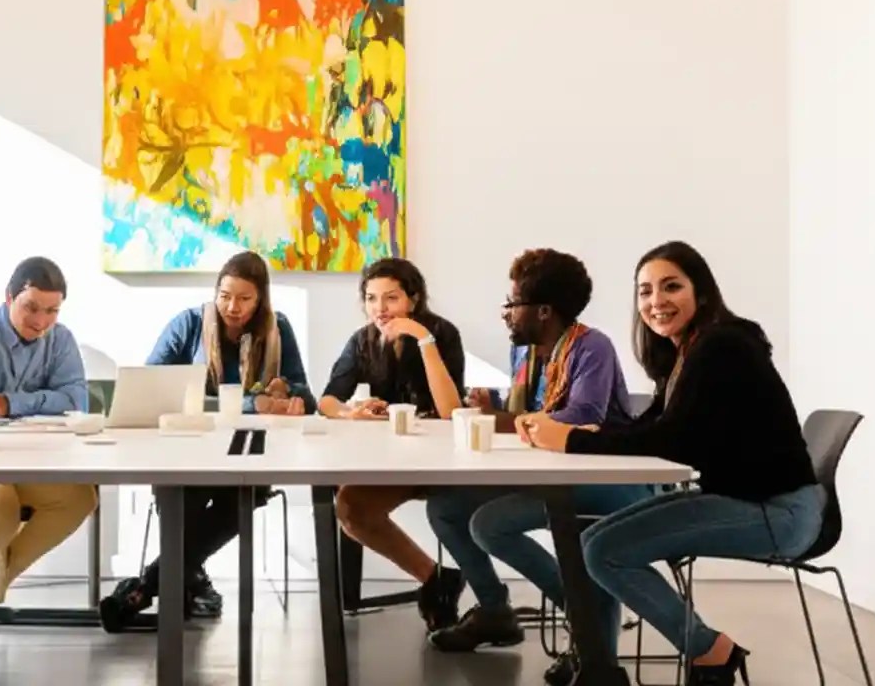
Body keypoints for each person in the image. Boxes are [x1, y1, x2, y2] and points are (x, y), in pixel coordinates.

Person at [521, 241, 823, 686]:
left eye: (671, 287)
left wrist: (571, 441)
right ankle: (597, 662)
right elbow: (653, 428)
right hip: (747, 499)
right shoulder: (689, 350)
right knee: (592, 541)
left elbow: (675, 442)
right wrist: (586, 436)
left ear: (701, 292)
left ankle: (709, 651)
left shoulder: (722, 346)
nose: (656, 301)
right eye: (645, 291)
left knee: (604, 551)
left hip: (779, 511)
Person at [426, 249, 647, 685]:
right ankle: (497, 610)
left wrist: (502, 418)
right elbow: (528, 414)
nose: (505, 313)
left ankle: (587, 626)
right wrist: (493, 406)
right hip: (549, 473)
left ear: (543, 311)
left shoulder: (592, 347)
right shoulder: (526, 355)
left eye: (512, 304)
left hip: (609, 479)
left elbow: (581, 416)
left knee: (490, 524)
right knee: (446, 508)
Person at [99, 251, 315, 631]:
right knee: (184, 494)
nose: (232, 307)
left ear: (261, 299)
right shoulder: (189, 324)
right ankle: (189, 579)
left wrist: (289, 395)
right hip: (189, 448)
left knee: (246, 496)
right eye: (225, 296)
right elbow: (153, 387)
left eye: (244, 299)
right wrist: (252, 403)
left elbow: (306, 395)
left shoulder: (277, 328)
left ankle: (148, 585)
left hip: (249, 453)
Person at [0, 256, 98, 635]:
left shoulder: (61, 340)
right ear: (8, 298)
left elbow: (77, 402)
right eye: (31, 307)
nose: (40, 321)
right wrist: (44, 401)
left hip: (27, 460)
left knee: (79, 498)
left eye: (52, 311)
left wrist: (8, 403)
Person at [318, 257, 466, 631]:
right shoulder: (363, 340)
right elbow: (328, 400)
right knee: (350, 506)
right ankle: (435, 578)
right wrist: (351, 413)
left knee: (351, 503)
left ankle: (452, 587)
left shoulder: (442, 333)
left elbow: (451, 411)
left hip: (440, 457)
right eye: (371, 298)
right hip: (391, 456)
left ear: (413, 299)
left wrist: (423, 340)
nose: (380, 309)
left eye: (391, 298)